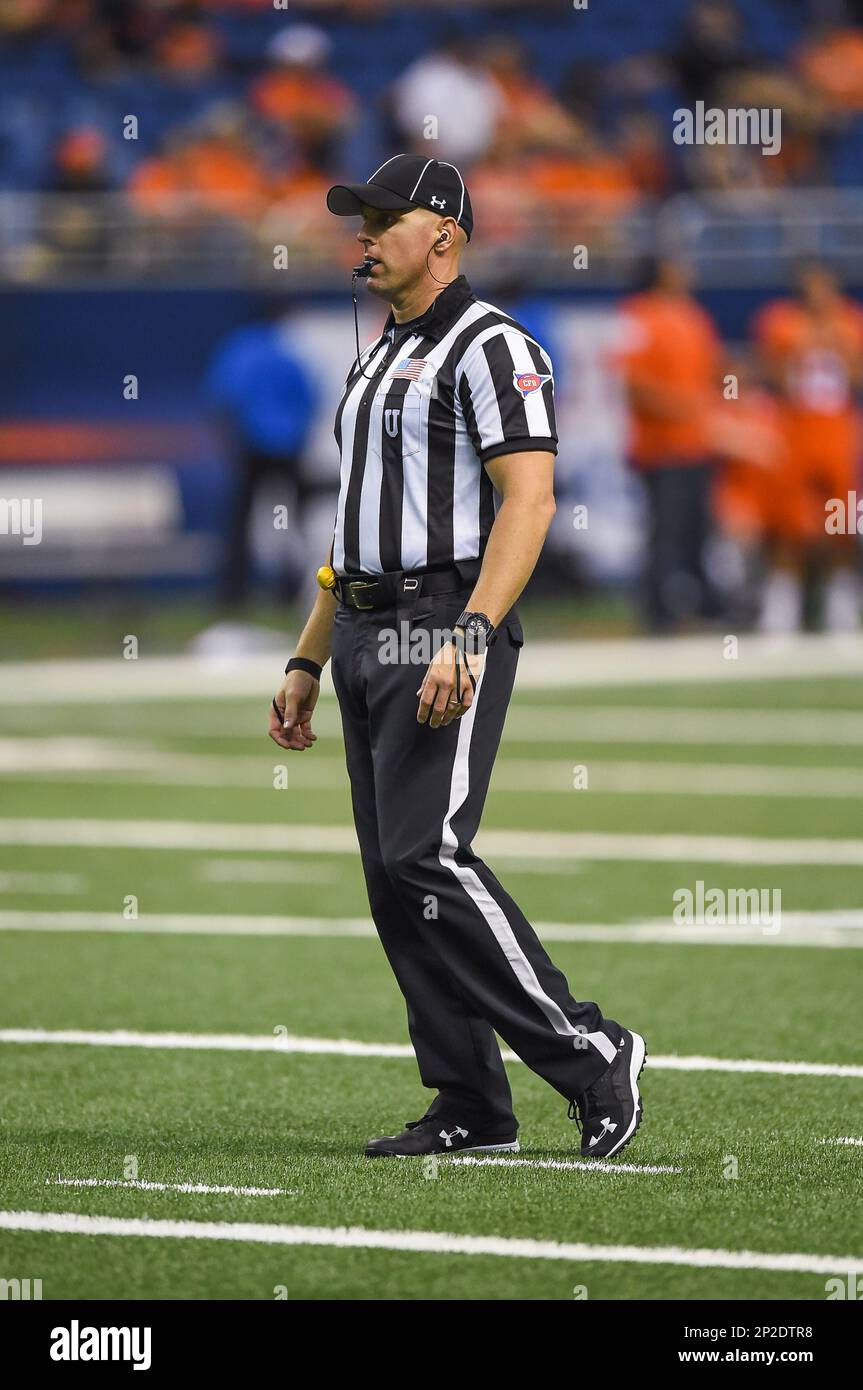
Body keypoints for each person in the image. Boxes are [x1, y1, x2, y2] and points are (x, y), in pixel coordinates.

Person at [268, 154, 647, 1161]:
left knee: (423, 855)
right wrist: (307, 658)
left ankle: (589, 1047)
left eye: (383, 218)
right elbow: (352, 529)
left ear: (443, 232)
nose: (364, 235)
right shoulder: (374, 356)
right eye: (361, 219)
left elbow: (526, 500)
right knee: (393, 883)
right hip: (358, 624)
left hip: (442, 613)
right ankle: (469, 1100)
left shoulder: (492, 346)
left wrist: (469, 631)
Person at [752, 260, 863, 632]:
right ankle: (782, 607)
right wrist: (799, 349)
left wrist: (837, 344)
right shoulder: (782, 322)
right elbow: (768, 372)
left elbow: (857, 375)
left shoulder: (851, 322)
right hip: (795, 429)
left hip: (837, 431)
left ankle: (839, 605)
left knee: (841, 521)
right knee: (789, 524)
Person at [615, 257, 722, 631]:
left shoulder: (693, 315)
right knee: (665, 531)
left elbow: (710, 375)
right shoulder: (638, 316)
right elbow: (633, 384)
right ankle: (657, 609)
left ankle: (704, 605)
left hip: (697, 443)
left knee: (698, 528)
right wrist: (684, 408)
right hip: (659, 445)